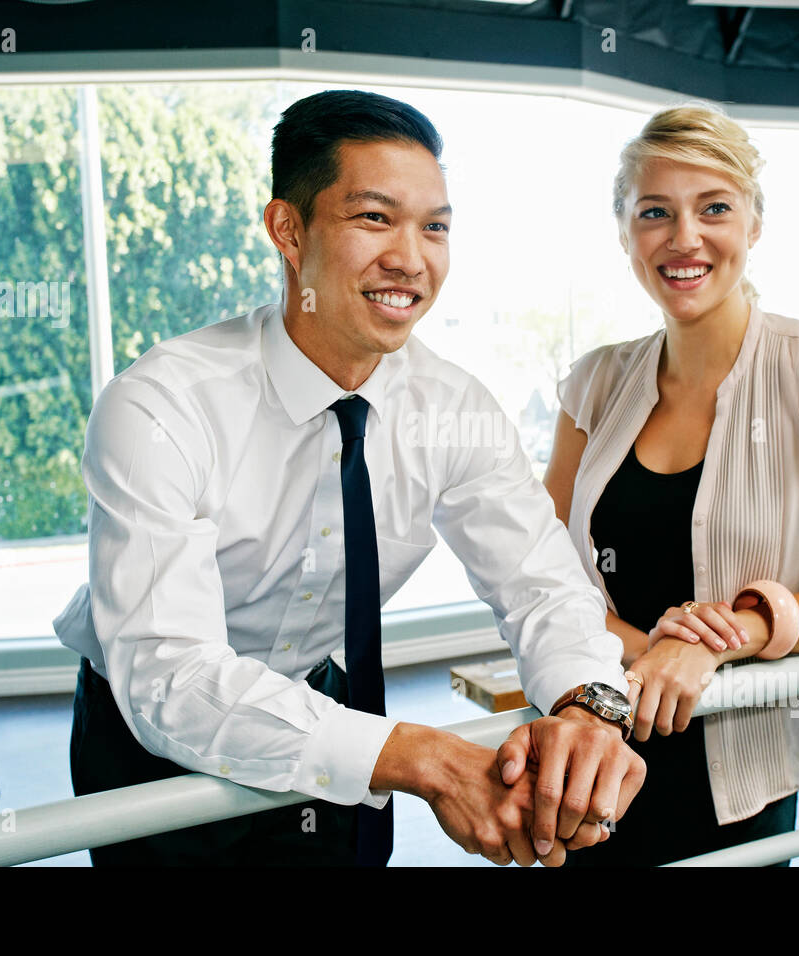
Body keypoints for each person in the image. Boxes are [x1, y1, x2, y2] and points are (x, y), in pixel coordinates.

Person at [53, 89, 646, 868]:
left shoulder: (452, 406)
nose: (411, 257)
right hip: (145, 726)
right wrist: (421, 758)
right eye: (374, 218)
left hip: (320, 694)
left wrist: (585, 708)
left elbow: (541, 583)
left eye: (434, 226)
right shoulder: (162, 405)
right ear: (288, 231)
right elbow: (172, 676)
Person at [544, 104, 799, 866]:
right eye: (655, 213)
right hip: (598, 738)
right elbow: (545, 575)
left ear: (754, 224)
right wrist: (651, 657)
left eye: (714, 209)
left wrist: (713, 646)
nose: (684, 238)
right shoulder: (593, 383)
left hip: (741, 757)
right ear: (625, 232)